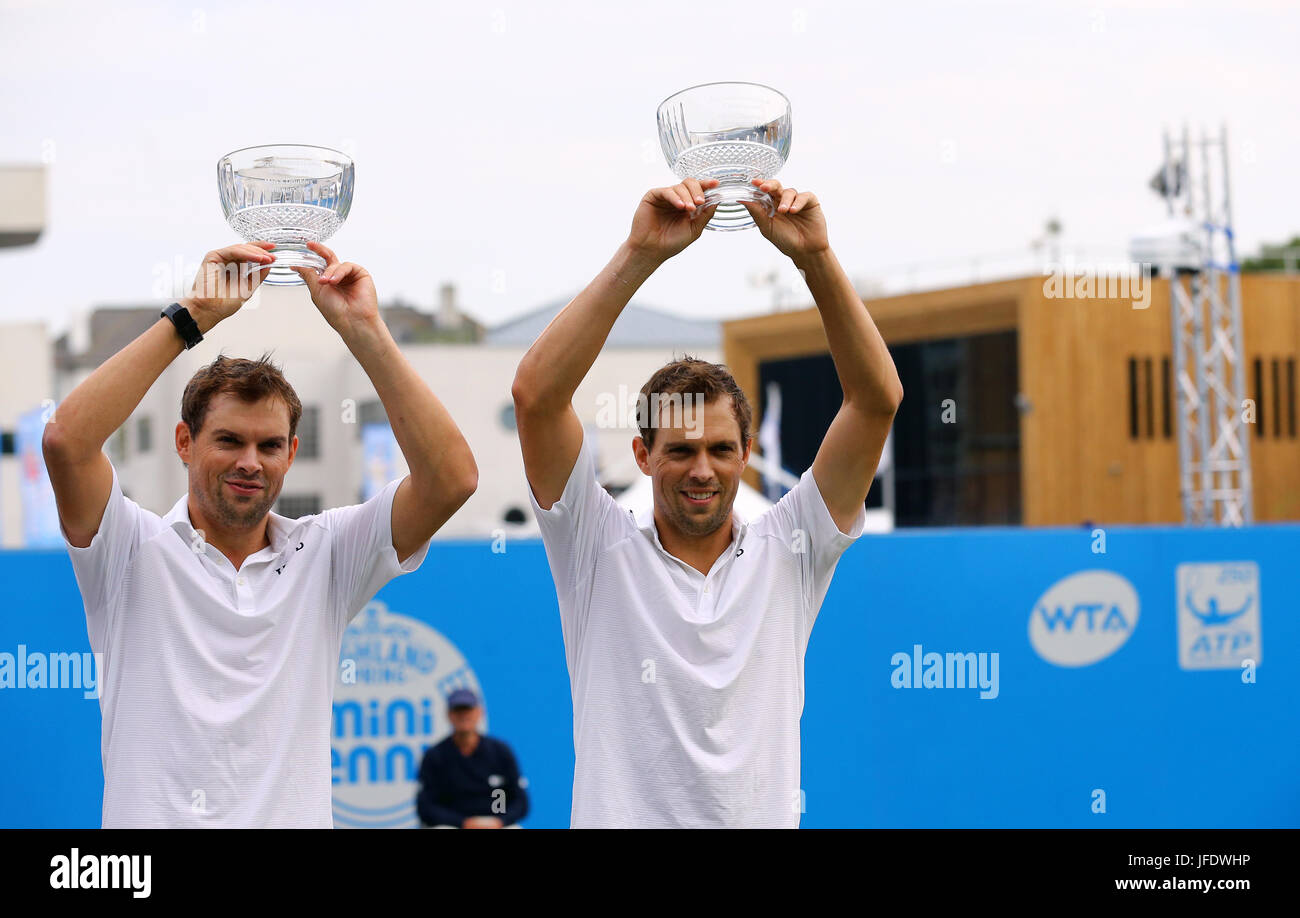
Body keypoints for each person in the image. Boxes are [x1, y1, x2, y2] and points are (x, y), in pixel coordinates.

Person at [43, 241, 478, 827]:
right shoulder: (129, 548)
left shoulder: (325, 554)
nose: (251, 461)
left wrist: (364, 330)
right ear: (184, 443)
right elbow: (66, 442)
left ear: (292, 453)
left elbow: (452, 478)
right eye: (228, 440)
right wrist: (194, 314)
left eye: (269, 445)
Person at [512, 178, 903, 827]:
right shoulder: (596, 547)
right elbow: (536, 397)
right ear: (642, 456)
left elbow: (876, 401)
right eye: (680, 450)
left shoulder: (791, 548)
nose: (703, 470)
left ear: (746, 452)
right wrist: (642, 253)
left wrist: (816, 259)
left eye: (721, 450)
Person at [415, 689, 530, 828]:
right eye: (458, 710)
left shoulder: (500, 751)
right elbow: (426, 807)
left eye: (468, 709)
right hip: (454, 825)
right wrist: (463, 823)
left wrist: (499, 821)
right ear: (449, 715)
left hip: (494, 823)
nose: (463, 715)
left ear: (479, 712)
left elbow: (520, 802)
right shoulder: (435, 756)